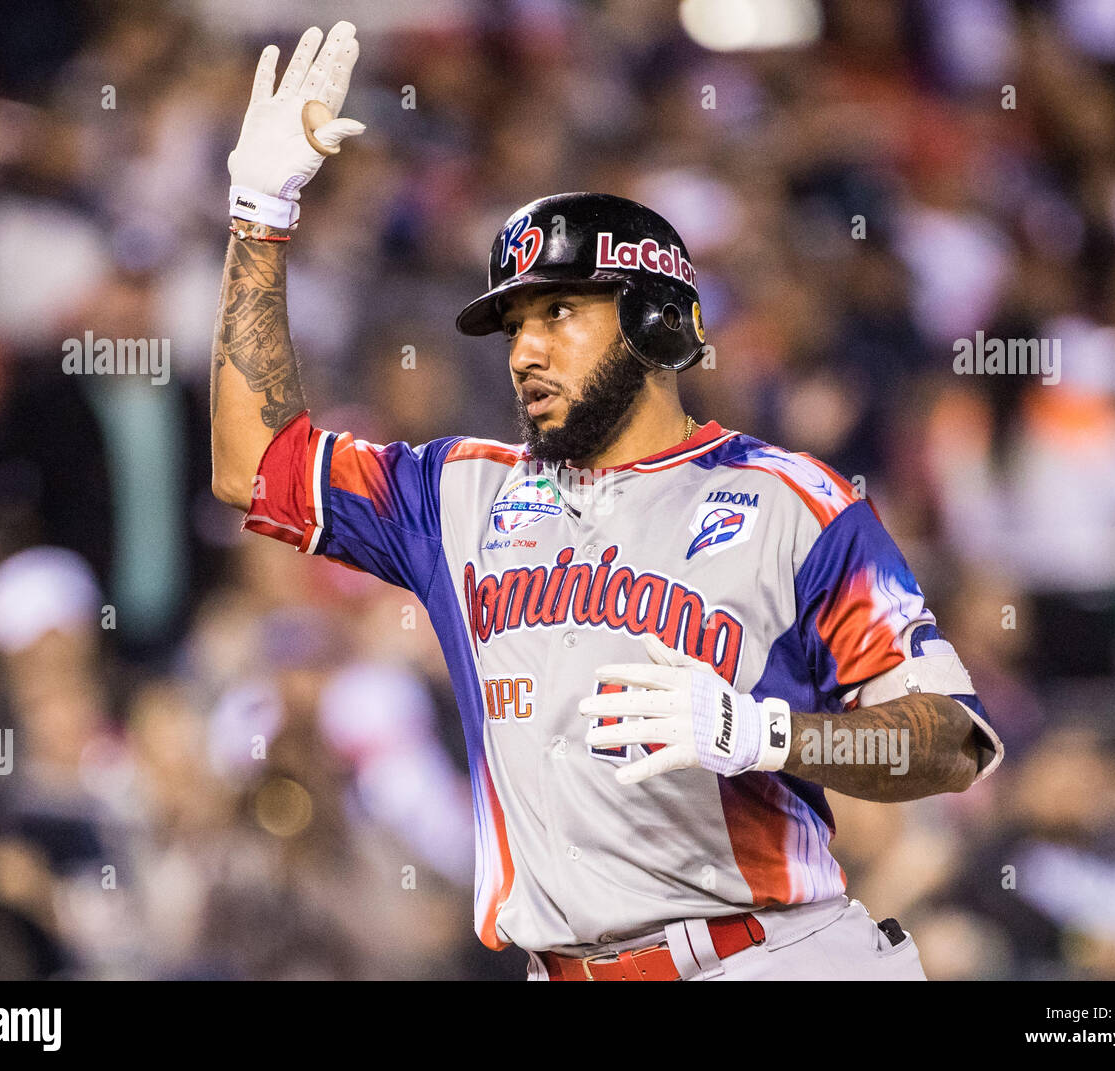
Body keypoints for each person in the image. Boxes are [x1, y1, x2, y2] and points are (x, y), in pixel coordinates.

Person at [209, 21, 1004, 981]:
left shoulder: (791, 500)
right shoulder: (456, 491)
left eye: (559, 312)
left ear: (655, 321)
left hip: (770, 959)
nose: (523, 350)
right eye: (512, 323)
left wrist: (760, 734)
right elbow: (254, 464)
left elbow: (950, 744)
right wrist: (260, 214)